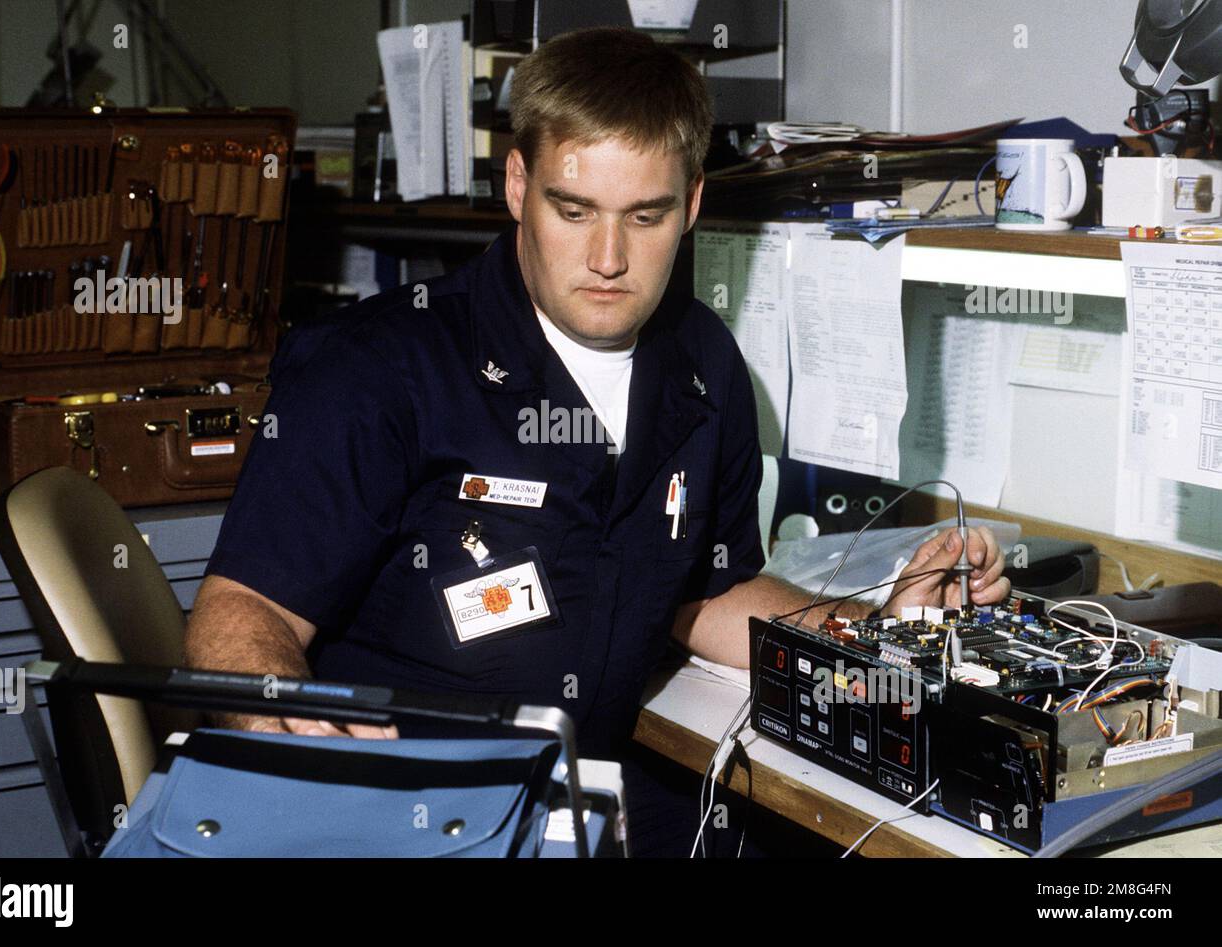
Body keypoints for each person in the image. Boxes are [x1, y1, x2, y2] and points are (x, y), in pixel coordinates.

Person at [185, 26, 1009, 854]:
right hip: (408, 808)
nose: (608, 258)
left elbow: (708, 595)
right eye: (572, 211)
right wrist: (291, 727)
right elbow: (242, 609)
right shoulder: (380, 364)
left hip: (585, 789)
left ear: (690, 205)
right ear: (517, 185)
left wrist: (874, 629)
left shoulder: (704, 367)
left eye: (644, 216)